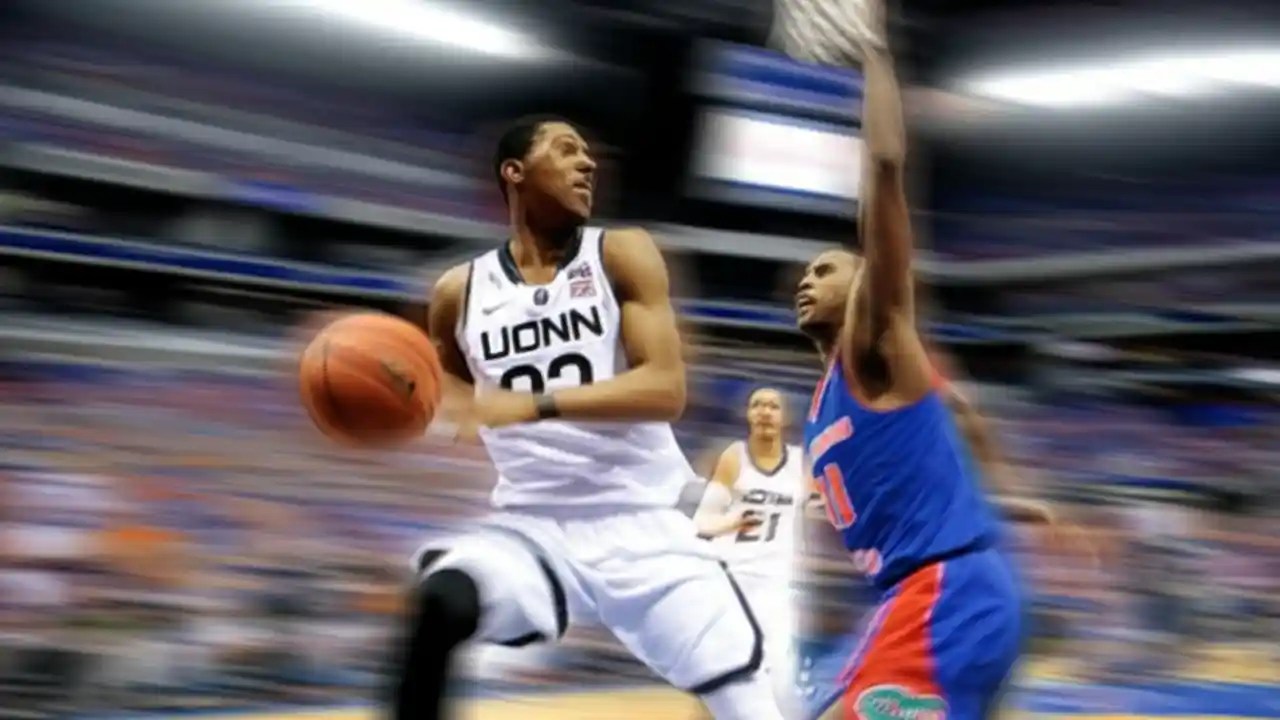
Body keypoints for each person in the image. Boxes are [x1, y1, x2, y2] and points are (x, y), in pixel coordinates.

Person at [390, 115, 783, 720]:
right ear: (514, 173)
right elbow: (451, 395)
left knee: (748, 705)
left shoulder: (621, 252)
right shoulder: (456, 292)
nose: (588, 163)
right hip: (533, 526)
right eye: (566, 150)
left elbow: (665, 387)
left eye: (588, 154)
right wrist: (399, 394)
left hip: (645, 524)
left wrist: (536, 403)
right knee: (441, 601)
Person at [792, 5, 1075, 718]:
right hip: (929, 597)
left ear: (864, 289)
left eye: (827, 268)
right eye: (806, 271)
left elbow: (886, 172)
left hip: (946, 597)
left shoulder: (873, 345)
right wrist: (1001, 499)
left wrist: (875, 54)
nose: (807, 278)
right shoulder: (826, 398)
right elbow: (950, 421)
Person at [693, 386, 808, 714]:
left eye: (773, 405)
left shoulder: (801, 462)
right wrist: (732, 522)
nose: (765, 411)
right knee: (725, 674)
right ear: (747, 414)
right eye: (757, 405)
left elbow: (822, 509)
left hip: (778, 585)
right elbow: (702, 522)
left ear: (784, 417)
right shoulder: (734, 456)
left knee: (779, 679)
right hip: (733, 581)